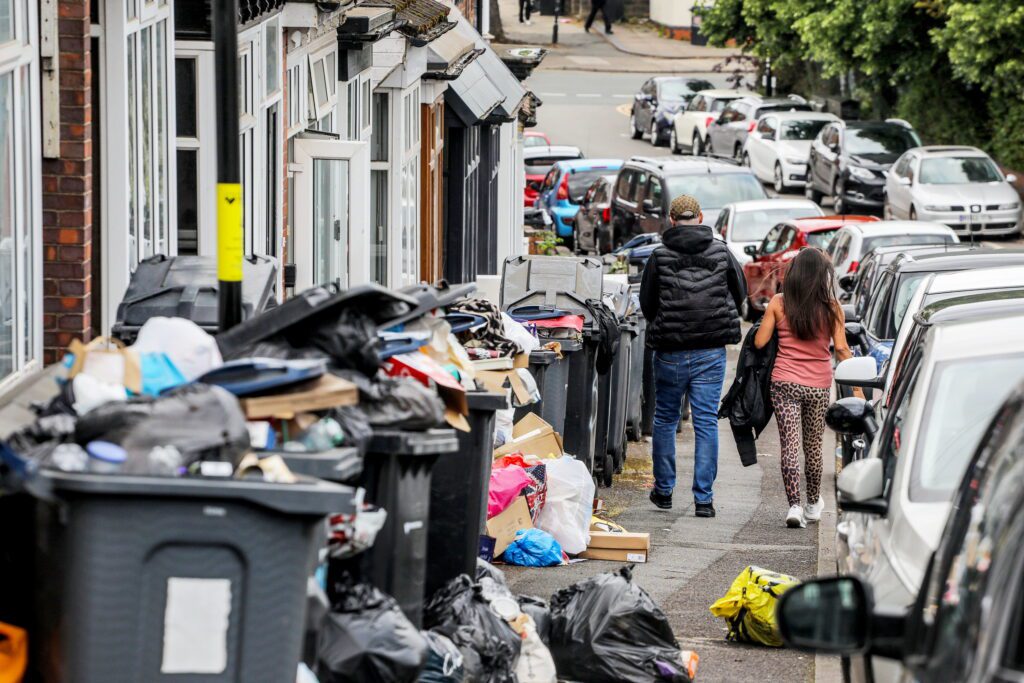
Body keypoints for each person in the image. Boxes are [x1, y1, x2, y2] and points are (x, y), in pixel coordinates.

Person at [640, 195, 747, 517]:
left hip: (670, 351)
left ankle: (664, 491)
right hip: (710, 351)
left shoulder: (659, 256)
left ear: (672, 221)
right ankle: (704, 499)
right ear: (700, 217)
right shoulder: (721, 251)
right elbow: (740, 293)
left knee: (665, 419)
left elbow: (647, 304)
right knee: (705, 422)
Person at [754, 248, 855, 529]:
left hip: (784, 383)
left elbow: (760, 342)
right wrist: (858, 391)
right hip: (818, 386)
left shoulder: (778, 302)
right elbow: (843, 351)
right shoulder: (832, 307)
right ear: (823, 276)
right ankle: (812, 504)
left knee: (789, 445)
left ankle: (794, 507)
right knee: (813, 447)